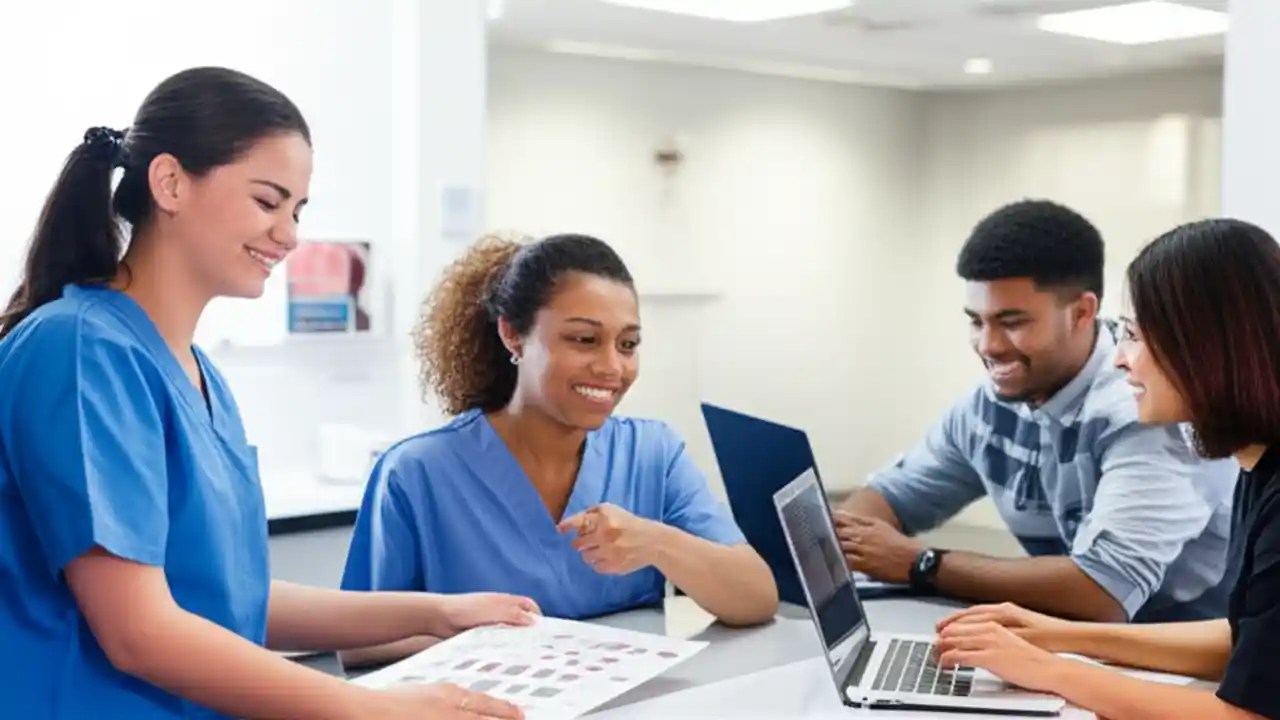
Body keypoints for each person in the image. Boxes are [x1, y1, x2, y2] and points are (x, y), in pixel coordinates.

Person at [0, 67, 537, 720]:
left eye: (297, 210)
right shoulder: (80, 350)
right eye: (267, 201)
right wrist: (377, 710)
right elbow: (140, 634)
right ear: (169, 182)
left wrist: (436, 611)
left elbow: (232, 597)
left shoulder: (199, 376)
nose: (289, 234)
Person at [339, 233, 779, 666]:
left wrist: (656, 543)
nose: (612, 367)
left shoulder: (652, 454)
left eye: (627, 345)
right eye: (584, 340)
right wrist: (500, 644)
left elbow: (757, 596)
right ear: (513, 335)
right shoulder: (417, 472)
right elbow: (359, 643)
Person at [935, 218, 1280, 720]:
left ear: (1206, 343)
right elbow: (1247, 640)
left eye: (1135, 335)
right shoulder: (1260, 464)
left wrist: (1049, 670)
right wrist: (1059, 636)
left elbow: (1247, 716)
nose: (1120, 359)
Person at [837, 199, 1235, 622]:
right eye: (977, 321)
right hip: (1076, 645)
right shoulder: (992, 403)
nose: (988, 345)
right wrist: (848, 540)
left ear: (1082, 312)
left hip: (1189, 661)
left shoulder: (1145, 407)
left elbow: (1103, 593)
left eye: (1011, 322)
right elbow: (892, 497)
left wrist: (924, 564)